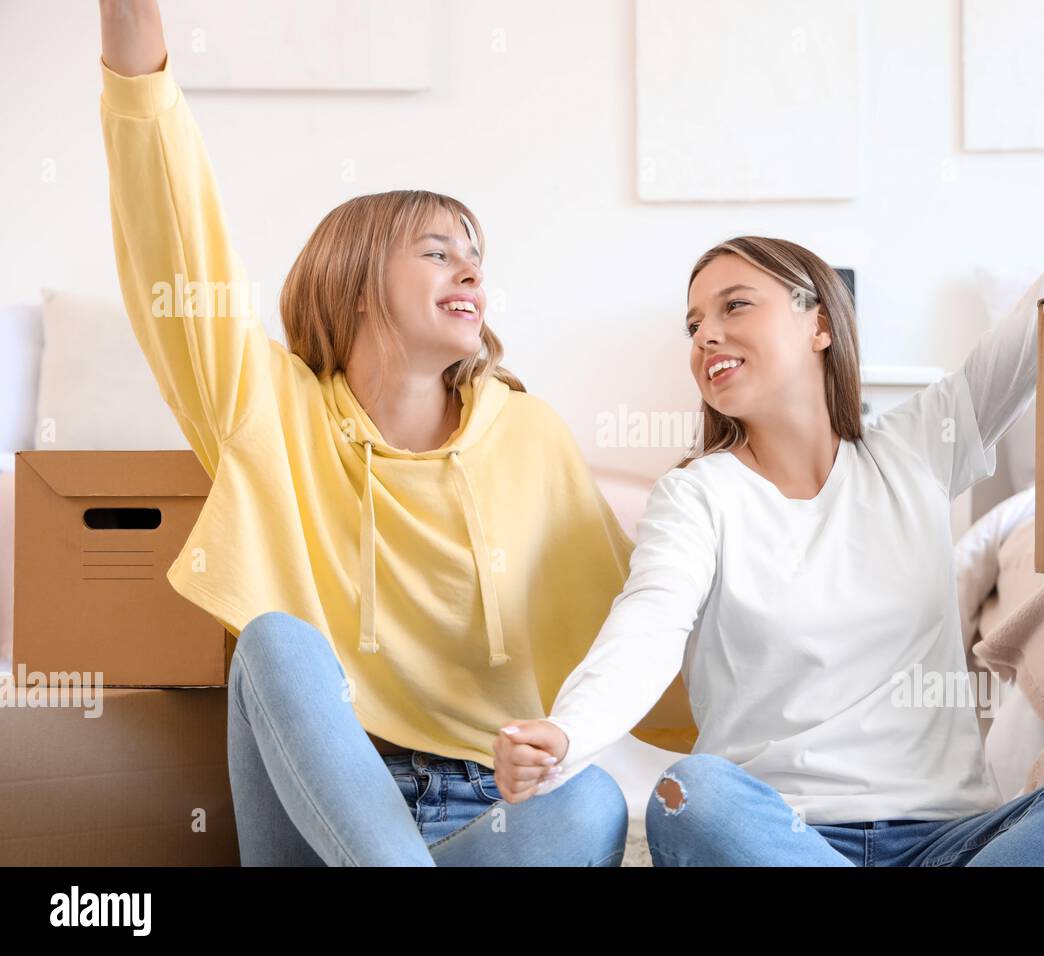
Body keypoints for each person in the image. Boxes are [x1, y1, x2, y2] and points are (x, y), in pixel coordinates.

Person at [493, 66, 1044, 866]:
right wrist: (568, 733)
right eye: (694, 323)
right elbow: (647, 627)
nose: (706, 334)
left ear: (819, 324)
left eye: (736, 305)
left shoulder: (919, 444)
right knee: (690, 795)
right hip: (785, 836)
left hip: (951, 837)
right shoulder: (697, 496)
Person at [97, 0, 657, 866]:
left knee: (589, 803)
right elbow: (175, 246)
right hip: (325, 796)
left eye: (475, 253)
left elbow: (638, 627)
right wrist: (132, 34)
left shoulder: (532, 435)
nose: (471, 268)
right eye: (437, 251)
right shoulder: (264, 405)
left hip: (485, 808)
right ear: (355, 284)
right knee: (275, 640)